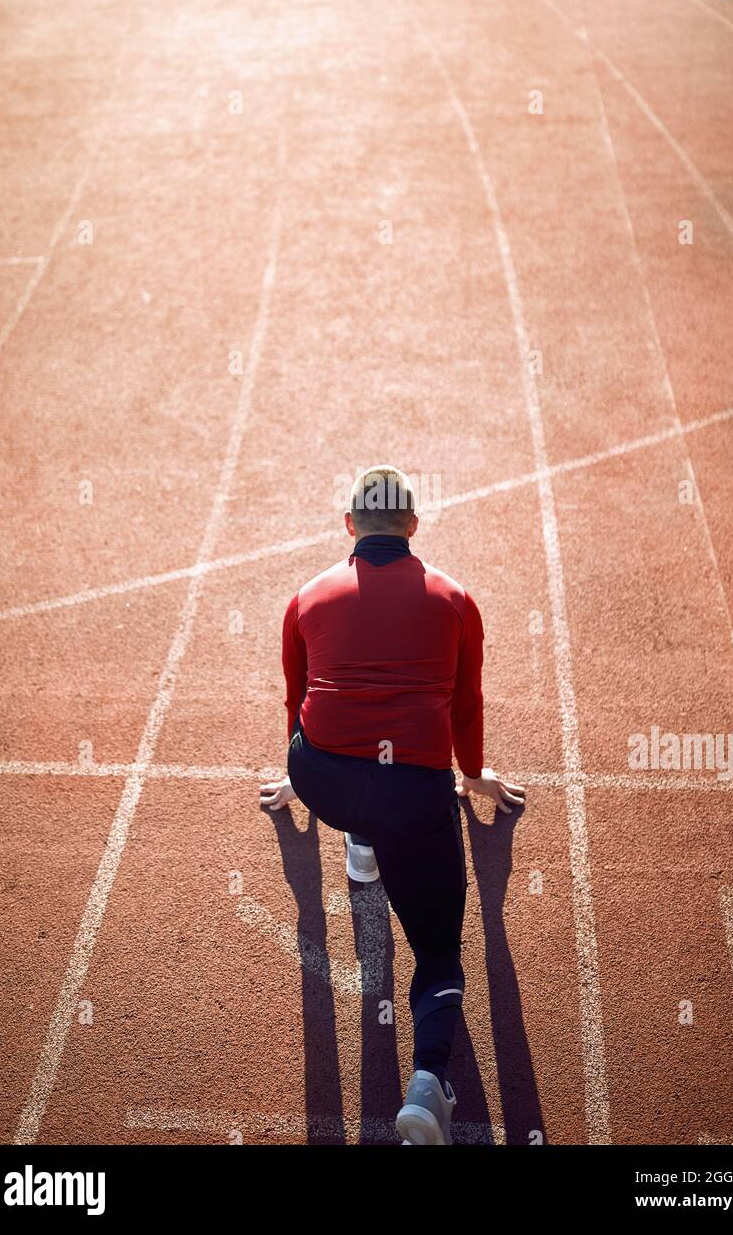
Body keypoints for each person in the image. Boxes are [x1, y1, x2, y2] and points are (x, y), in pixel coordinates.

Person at [259, 465, 524, 1144]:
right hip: (415, 796)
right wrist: (471, 776)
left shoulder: (306, 597)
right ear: (412, 524)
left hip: (324, 777)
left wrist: (302, 777)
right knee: (437, 951)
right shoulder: (456, 599)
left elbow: (297, 705)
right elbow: (466, 703)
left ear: (349, 526)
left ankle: (359, 838)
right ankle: (428, 1085)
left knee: (358, 804)